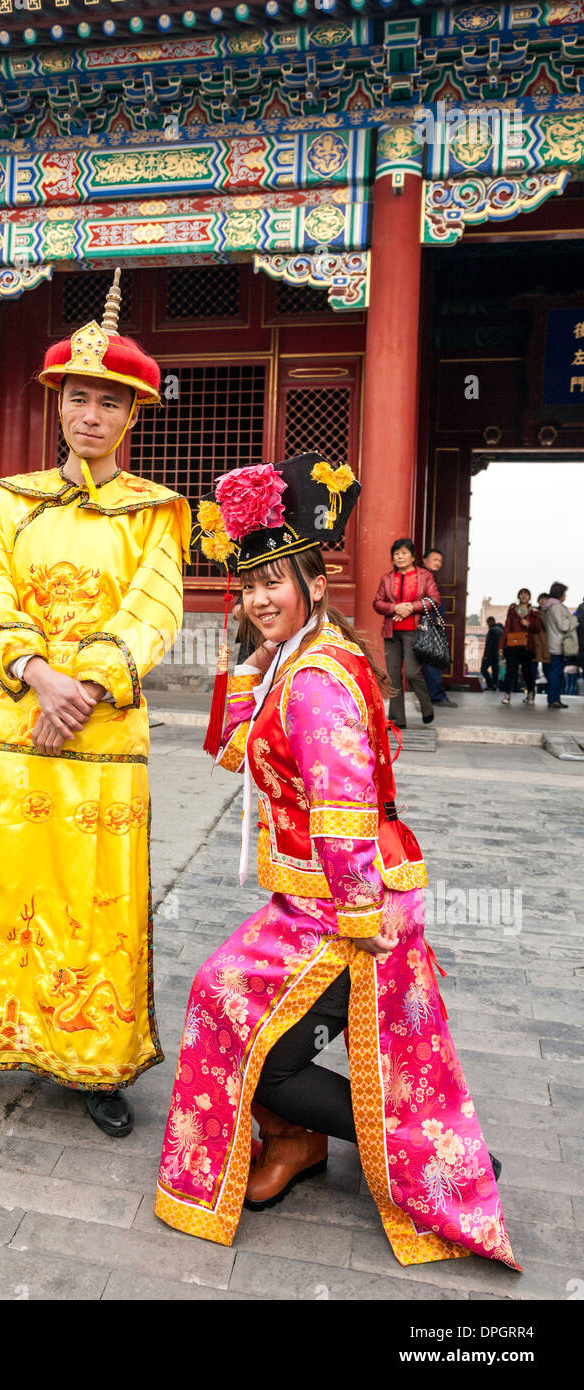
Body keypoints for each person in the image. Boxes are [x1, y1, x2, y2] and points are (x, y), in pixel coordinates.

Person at [155, 455, 519, 1272]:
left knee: (255, 1040)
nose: (257, 600)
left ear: (315, 583)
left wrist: (366, 924)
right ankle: (296, 1146)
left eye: (273, 581)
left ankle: (433, 1159)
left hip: (345, 905)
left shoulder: (316, 680)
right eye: (247, 586)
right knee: (226, 1002)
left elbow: (344, 812)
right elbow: (238, 753)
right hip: (311, 900)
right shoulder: (294, 659)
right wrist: (251, 668)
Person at [0, 273, 191, 1141]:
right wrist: (38, 675)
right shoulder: (9, 500)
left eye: (110, 403)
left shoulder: (158, 514)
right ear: (57, 406)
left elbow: (155, 609)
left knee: (91, 897)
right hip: (15, 720)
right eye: (79, 399)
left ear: (133, 415)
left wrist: (85, 689)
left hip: (102, 732)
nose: (92, 416)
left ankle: (93, 1062)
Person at [372, 539, 441, 728]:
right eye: (396, 553)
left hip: (415, 631)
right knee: (393, 676)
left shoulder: (424, 576)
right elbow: (377, 603)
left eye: (403, 553)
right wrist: (395, 607)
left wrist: (411, 607)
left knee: (411, 673)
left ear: (412, 556)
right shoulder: (387, 578)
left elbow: (434, 600)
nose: (400, 557)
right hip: (391, 632)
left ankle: (426, 707)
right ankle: (396, 718)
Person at [420, 547, 457, 707]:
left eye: (440, 561)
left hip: (432, 625)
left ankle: (435, 695)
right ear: (424, 560)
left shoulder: (429, 578)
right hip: (425, 626)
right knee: (432, 661)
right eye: (435, 560)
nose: (438, 563)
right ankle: (435, 696)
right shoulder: (421, 578)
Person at [499, 588, 539, 705]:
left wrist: (529, 624)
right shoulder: (512, 611)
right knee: (510, 672)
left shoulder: (534, 611)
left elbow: (538, 628)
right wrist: (502, 645)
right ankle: (507, 695)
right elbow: (507, 628)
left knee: (527, 673)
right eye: (522, 594)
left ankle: (530, 694)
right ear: (519, 596)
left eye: (526, 594)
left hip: (527, 647)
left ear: (529, 597)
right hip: (513, 646)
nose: (524, 596)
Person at [542, 581, 579, 710]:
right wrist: (574, 621)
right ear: (560, 593)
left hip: (553, 643)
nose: (566, 596)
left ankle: (555, 698)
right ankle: (554, 699)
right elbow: (563, 626)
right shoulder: (556, 607)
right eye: (565, 593)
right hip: (557, 644)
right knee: (556, 673)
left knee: (555, 672)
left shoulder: (549, 607)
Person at [531, 594, 551, 695]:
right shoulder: (533, 612)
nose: (543, 601)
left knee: (547, 671)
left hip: (546, 645)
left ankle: (552, 694)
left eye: (546, 599)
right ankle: (531, 693)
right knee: (532, 671)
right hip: (535, 644)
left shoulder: (551, 613)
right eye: (541, 599)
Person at [481, 615, 503, 691]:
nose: (487, 625)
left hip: (490, 654)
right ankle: (494, 685)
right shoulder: (500, 629)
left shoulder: (492, 630)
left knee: (483, 669)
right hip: (498, 655)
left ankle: (490, 684)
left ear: (491, 621)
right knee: (495, 671)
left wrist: (485, 655)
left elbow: (489, 644)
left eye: (488, 623)